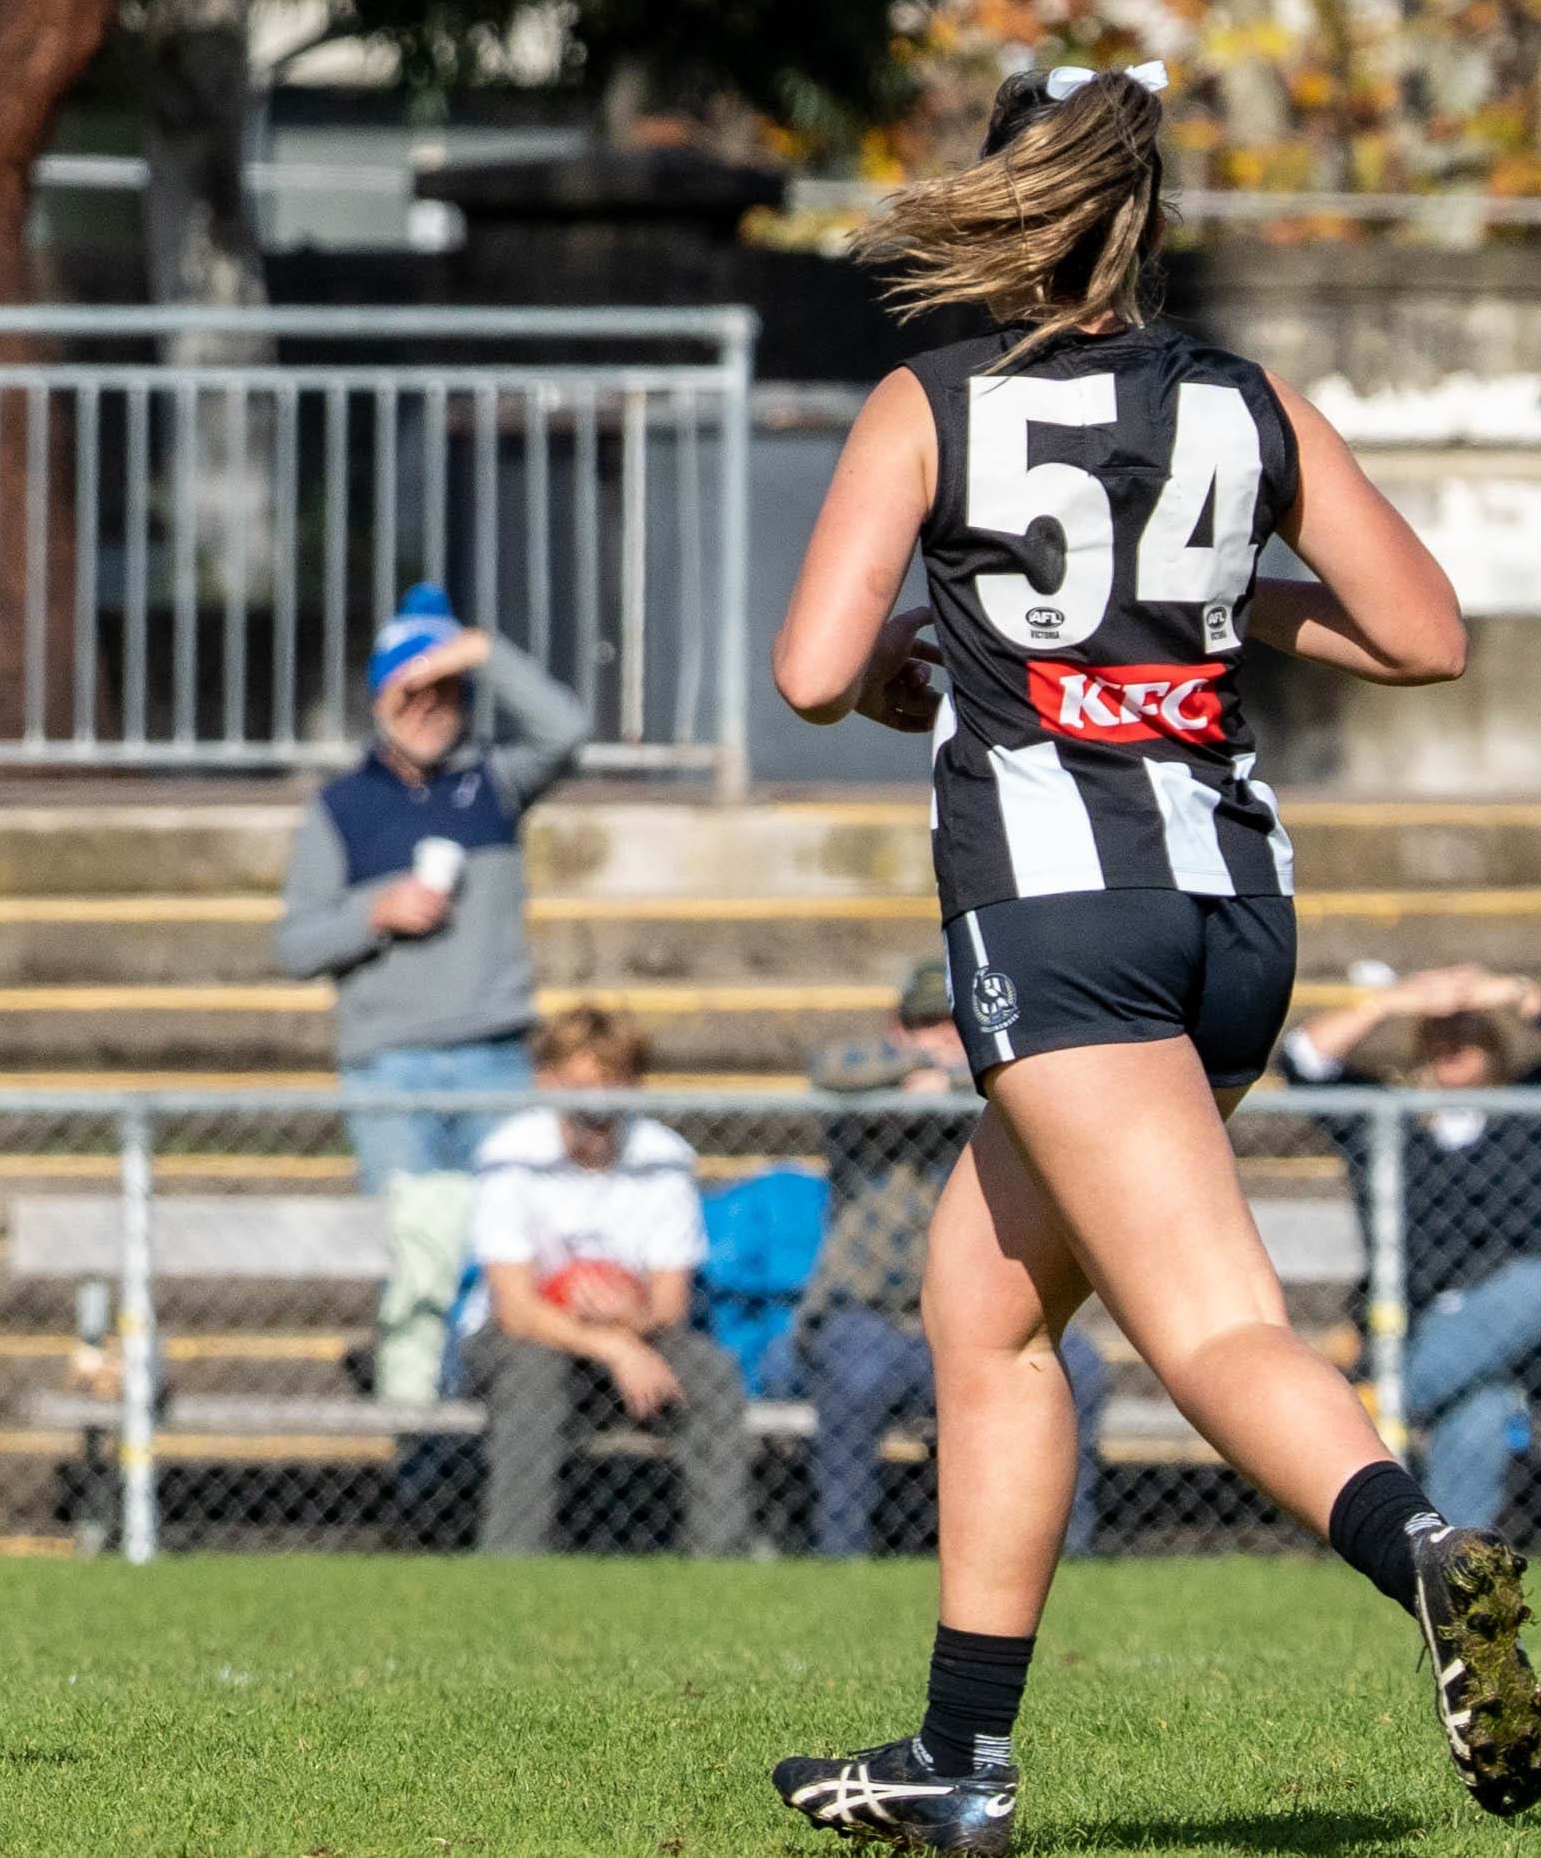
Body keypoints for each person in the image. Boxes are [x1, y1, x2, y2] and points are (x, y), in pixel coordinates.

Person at [766, 62, 1541, 1851]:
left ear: (1000, 198)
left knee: (1204, 1323)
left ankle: (1418, 1548)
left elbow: (814, 673)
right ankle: (957, 1761)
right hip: (1229, 911)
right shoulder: (1246, 395)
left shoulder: (931, 399)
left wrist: (925, 645)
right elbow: (1422, 633)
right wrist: (1214, 604)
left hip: (1060, 909)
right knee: (985, 1309)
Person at [274, 581, 590, 1403]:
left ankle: (489, 1442)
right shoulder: (340, 809)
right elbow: (295, 945)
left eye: (447, 691)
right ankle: (421, 1448)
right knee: (420, 1261)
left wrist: (482, 650)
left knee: (500, 1260)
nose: (431, 709)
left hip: (494, 1061)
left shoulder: (493, 785)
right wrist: (371, 914)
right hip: (391, 1071)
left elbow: (567, 727)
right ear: (381, 698)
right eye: (413, 691)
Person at [1281, 966, 1541, 1533]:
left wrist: (1511, 994)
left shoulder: (1533, 1109)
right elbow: (1302, 1060)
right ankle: (1449, 1559)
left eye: (1469, 1035)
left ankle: (1363, 1419)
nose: (1453, 1045)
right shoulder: (1384, 1120)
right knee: (1480, 1405)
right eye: (1438, 1036)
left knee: (1535, 1282)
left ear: (1496, 1047)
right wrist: (1388, 1005)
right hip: (1427, 1321)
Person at [799, 961, 1110, 1559]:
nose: (942, 1036)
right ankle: (840, 1561)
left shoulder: (1007, 1085)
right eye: (926, 1025)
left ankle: (1063, 1557)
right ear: (898, 1027)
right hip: (874, 1319)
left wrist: (968, 1074)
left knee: (1082, 1369)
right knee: (856, 1376)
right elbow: (828, 1069)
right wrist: (919, 1067)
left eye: (954, 1025)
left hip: (989, 1317)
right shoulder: (870, 1086)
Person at [461, 1008, 751, 1556]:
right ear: (546, 1084)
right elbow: (515, 1310)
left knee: (710, 1374)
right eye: (579, 1091)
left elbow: (669, 1306)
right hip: (521, 1338)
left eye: (611, 1091)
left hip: (635, 1331)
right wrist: (615, 1345)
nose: (596, 1111)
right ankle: (511, 1563)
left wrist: (630, 1319)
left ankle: (723, 1562)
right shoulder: (510, 1155)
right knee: (533, 1372)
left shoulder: (663, 1158)